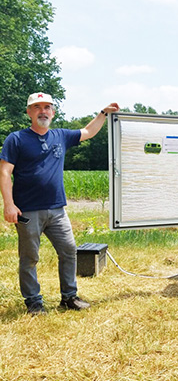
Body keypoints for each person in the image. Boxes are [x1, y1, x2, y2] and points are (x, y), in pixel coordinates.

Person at [0, 92, 120, 315]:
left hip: (57, 210)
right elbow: (5, 172)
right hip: (27, 210)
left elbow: (88, 132)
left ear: (53, 112)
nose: (42, 111)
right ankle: (34, 302)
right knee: (30, 258)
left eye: (47, 107)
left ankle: (69, 297)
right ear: (29, 112)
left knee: (69, 251)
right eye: (37, 107)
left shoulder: (61, 136)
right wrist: (9, 205)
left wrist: (103, 113)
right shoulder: (16, 139)